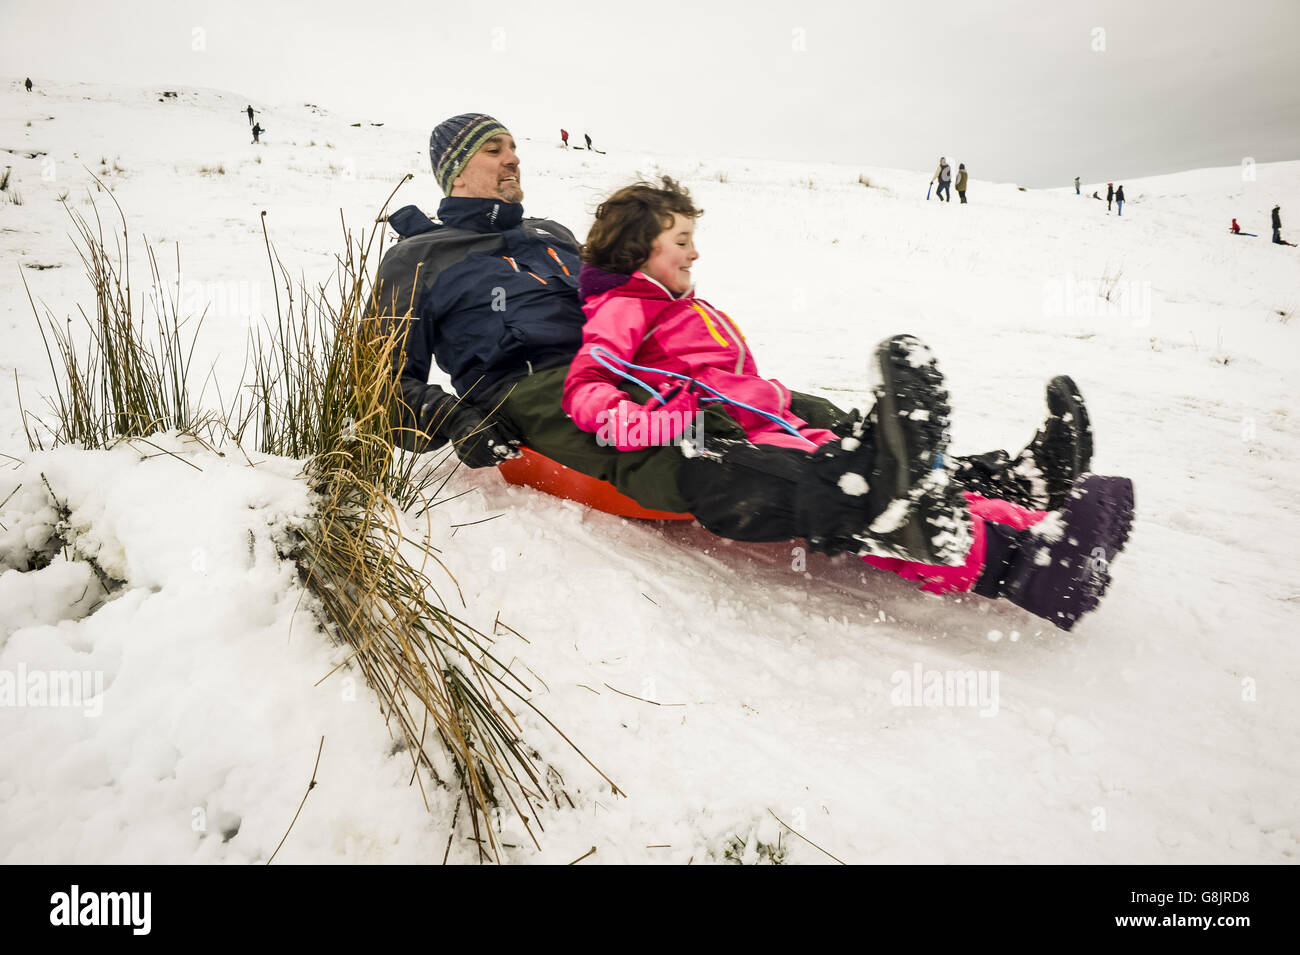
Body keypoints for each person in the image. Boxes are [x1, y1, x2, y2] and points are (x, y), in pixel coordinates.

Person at [375, 115, 1121, 624]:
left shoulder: (550, 234)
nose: (514, 159)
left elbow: (619, 295)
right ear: (455, 168)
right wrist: (451, 416)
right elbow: (385, 385)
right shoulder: (417, 260)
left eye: (514, 147)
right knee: (707, 447)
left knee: (804, 411)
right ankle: (1008, 556)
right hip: (537, 394)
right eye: (495, 149)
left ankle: (1007, 480)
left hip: (637, 362)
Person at [559, 176, 1133, 628]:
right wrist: (665, 423)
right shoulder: (623, 310)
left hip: (772, 420)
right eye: (681, 241)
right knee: (863, 501)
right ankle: (1032, 566)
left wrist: (782, 403)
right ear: (638, 251)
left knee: (887, 478)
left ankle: (1038, 520)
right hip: (742, 435)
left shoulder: (676, 305)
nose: (696, 254)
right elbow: (587, 393)